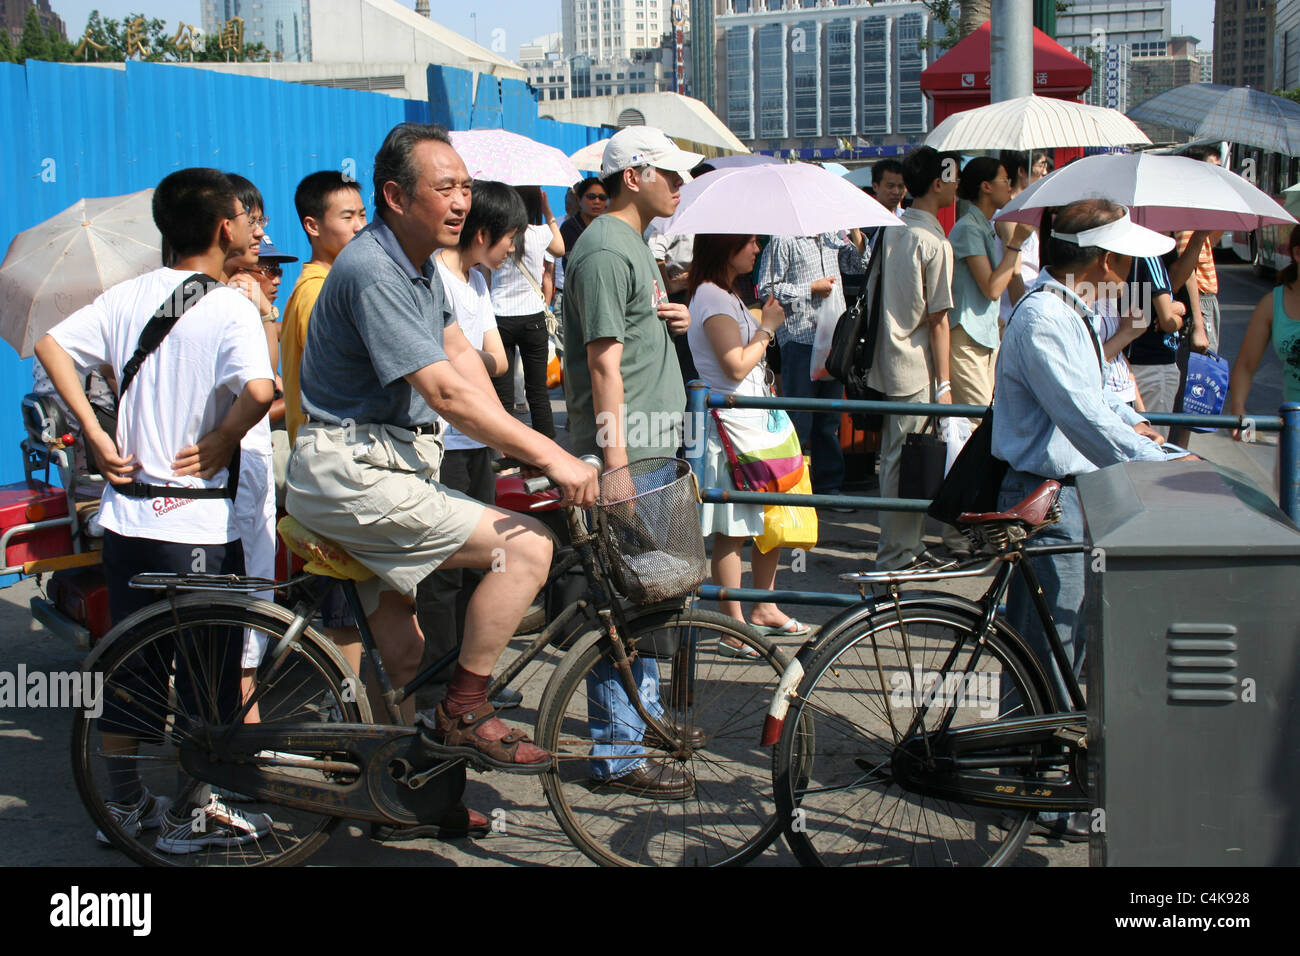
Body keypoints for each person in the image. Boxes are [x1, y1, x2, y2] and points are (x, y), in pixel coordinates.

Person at [286, 124, 597, 770]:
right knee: (527, 548)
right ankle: (466, 707)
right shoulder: (374, 271)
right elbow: (446, 396)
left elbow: (465, 368)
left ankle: (393, 785)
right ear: (396, 197)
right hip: (354, 471)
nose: (463, 201)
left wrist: (522, 441)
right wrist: (550, 455)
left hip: (381, 464)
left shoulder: (420, 267)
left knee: (402, 655)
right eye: (446, 187)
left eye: (465, 186)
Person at [35, 168, 276, 851]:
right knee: (208, 679)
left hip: (128, 522)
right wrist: (224, 437)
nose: (252, 229)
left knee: (134, 672)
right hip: (196, 525)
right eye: (244, 216)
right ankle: (194, 814)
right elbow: (260, 391)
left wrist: (94, 429)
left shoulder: (126, 296)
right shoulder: (230, 304)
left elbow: (52, 345)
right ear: (222, 225)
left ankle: (125, 808)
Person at [992, 200, 1188, 837]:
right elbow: (1082, 416)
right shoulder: (1048, 316)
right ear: (1105, 259)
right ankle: (1040, 790)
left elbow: (1099, 401)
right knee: (1051, 645)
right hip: (1051, 497)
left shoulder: (1070, 312)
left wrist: (1141, 435)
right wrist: (1160, 464)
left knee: (1047, 642)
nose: (1133, 265)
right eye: (1126, 255)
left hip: (1071, 492)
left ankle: (1029, 774)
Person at [562, 124, 700, 797]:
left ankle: (629, 739)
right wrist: (614, 462)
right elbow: (601, 361)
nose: (680, 185)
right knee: (628, 607)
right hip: (629, 454)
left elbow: (622, 343)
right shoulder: (605, 250)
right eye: (670, 174)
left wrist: (665, 318)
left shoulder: (632, 247)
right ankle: (617, 755)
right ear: (634, 174)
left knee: (647, 602)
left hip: (644, 447)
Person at [416, 180, 517, 710]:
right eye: (509, 239)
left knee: (487, 562)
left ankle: (470, 677)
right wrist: (472, 358)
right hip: (445, 444)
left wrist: (469, 357)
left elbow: (496, 360)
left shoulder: (476, 283)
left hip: (478, 440)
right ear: (483, 233)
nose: (512, 251)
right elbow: (456, 364)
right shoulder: (436, 279)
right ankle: (438, 680)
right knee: (443, 572)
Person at [687, 233, 810, 648]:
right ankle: (734, 626)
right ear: (726, 246)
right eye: (750, 242)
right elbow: (735, 364)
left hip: (751, 425)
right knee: (733, 528)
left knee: (764, 520)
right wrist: (768, 329)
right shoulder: (711, 296)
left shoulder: (725, 294)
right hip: (733, 430)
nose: (757, 250)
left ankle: (761, 606)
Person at [279, 170, 369, 678]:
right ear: (313, 226)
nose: (360, 227)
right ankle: (347, 723)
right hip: (335, 468)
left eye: (363, 214)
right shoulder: (317, 295)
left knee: (358, 608)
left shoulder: (329, 285)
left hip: (343, 465)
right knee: (343, 614)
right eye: (347, 217)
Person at [869, 146, 958, 569]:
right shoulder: (935, 242)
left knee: (896, 458)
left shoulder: (893, 228)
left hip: (887, 359)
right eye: (953, 177)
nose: (957, 185)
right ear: (938, 183)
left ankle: (905, 545)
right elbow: (939, 321)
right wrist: (945, 384)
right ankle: (897, 552)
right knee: (905, 462)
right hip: (917, 365)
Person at [757, 231, 855, 503]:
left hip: (834, 340)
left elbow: (858, 265)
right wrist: (810, 287)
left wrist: (857, 236)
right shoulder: (784, 239)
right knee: (800, 418)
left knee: (829, 420)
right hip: (800, 337)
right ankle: (790, 488)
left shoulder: (836, 235)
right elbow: (767, 288)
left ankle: (829, 489)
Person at [948, 157, 1034, 419]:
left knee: (985, 421)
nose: (1010, 186)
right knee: (981, 423)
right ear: (986, 186)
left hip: (984, 337)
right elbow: (993, 288)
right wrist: (1016, 241)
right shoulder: (968, 229)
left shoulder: (982, 227)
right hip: (966, 339)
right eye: (1004, 180)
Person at [488, 186, 565, 438]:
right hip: (532, 317)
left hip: (499, 316)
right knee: (537, 390)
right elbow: (560, 249)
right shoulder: (540, 233)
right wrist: (549, 212)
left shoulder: (495, 234)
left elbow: (486, 274)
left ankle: (507, 446)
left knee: (502, 390)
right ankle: (547, 445)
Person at [1229, 223, 1300, 425]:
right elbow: (1245, 366)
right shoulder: (1272, 304)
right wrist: (1238, 408)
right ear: (1297, 253)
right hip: (1294, 427)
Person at [1170, 145, 1223, 354]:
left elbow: (1211, 244)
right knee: (1204, 369)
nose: (1219, 175)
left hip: (1206, 300)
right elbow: (1187, 271)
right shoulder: (1187, 215)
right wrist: (1199, 324)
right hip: (1199, 301)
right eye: (1213, 169)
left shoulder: (1197, 211)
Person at [560, 175, 607, 268]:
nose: (597, 201)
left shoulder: (610, 226)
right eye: (591, 196)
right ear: (579, 200)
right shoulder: (569, 227)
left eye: (602, 197)